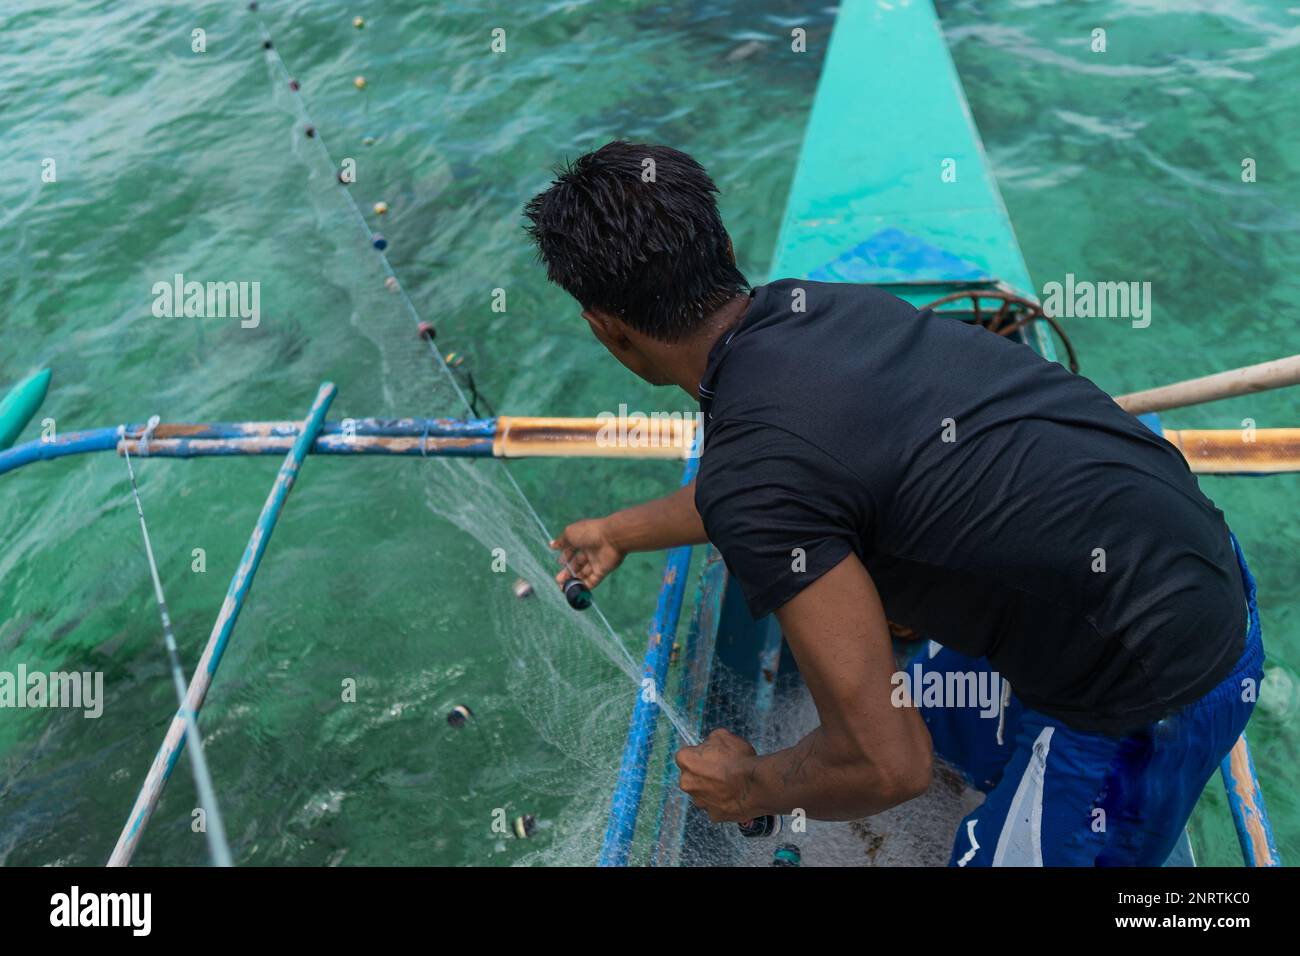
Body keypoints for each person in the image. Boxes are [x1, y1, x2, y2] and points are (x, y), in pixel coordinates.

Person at [522, 141, 1263, 866]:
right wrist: (617, 531)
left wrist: (747, 786)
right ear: (716, 241)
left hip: (1155, 687)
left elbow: (888, 768)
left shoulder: (755, 473)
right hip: (1196, 559)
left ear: (607, 330)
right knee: (932, 723)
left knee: (887, 750)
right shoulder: (821, 310)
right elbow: (771, 489)